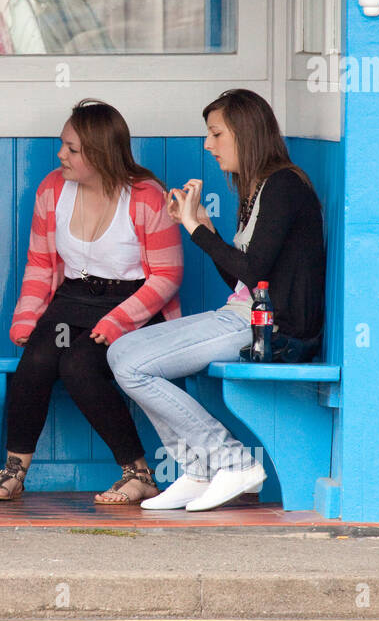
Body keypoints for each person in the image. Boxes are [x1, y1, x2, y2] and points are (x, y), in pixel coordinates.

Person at [106, 89, 326, 512]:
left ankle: (232, 461)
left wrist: (196, 230)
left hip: (272, 329)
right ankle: (197, 469)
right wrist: (205, 226)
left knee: (133, 367)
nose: (207, 144)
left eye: (216, 133)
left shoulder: (284, 186)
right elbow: (244, 278)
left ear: (246, 133)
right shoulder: (256, 188)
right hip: (243, 315)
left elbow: (254, 274)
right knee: (121, 351)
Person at [0, 99, 183, 505]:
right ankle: (14, 472)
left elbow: (166, 276)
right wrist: (26, 318)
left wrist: (116, 323)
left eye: (72, 149)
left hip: (132, 305)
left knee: (78, 364)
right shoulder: (53, 188)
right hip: (73, 300)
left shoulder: (146, 196)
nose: (61, 155)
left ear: (101, 153)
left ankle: (138, 472)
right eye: (63, 145)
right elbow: (41, 262)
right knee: (37, 360)